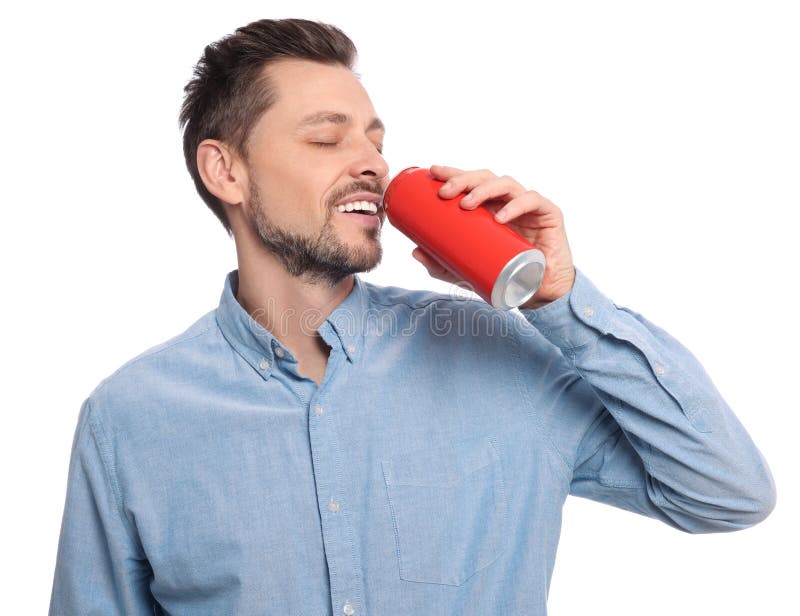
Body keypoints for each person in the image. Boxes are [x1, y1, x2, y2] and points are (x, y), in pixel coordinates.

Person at [48, 18, 776, 616]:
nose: (372, 164)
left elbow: (726, 493)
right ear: (225, 172)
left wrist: (560, 300)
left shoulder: (501, 357)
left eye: (376, 141)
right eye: (328, 138)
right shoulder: (131, 421)